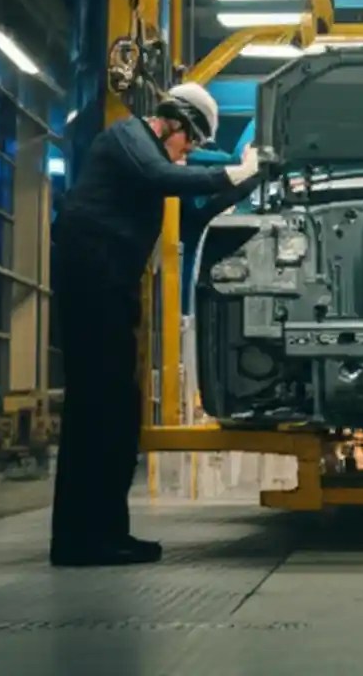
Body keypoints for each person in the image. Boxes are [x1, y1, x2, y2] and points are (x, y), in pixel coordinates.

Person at [49, 83, 260, 567]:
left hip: (113, 288)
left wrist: (250, 179)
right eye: (191, 141)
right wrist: (233, 168)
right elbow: (163, 176)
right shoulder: (127, 138)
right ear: (174, 121)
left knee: (119, 415)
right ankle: (78, 541)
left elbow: (197, 213)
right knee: (94, 411)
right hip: (90, 284)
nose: (190, 152)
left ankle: (107, 534)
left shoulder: (157, 164)